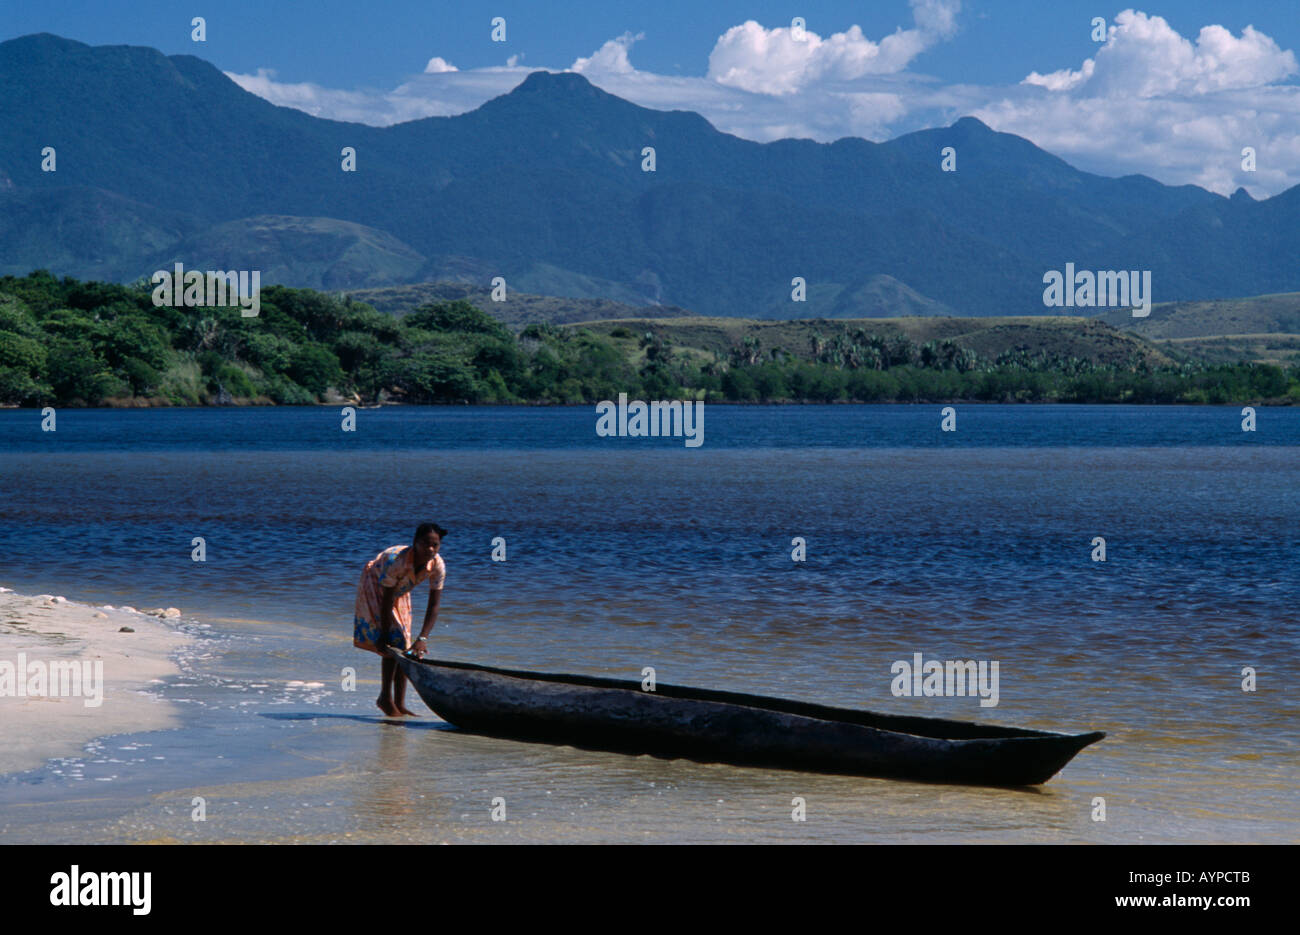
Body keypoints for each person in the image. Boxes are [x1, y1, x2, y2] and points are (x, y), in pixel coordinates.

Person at [353, 523, 447, 717]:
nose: (430, 549)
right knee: (394, 640)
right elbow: (386, 600)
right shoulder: (398, 561)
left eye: (435, 545)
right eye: (426, 544)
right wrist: (384, 634)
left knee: (406, 645)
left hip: (400, 589)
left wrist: (423, 638)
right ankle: (385, 699)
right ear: (415, 542)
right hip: (376, 583)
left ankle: (399, 702)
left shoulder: (437, 565)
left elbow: (434, 605)